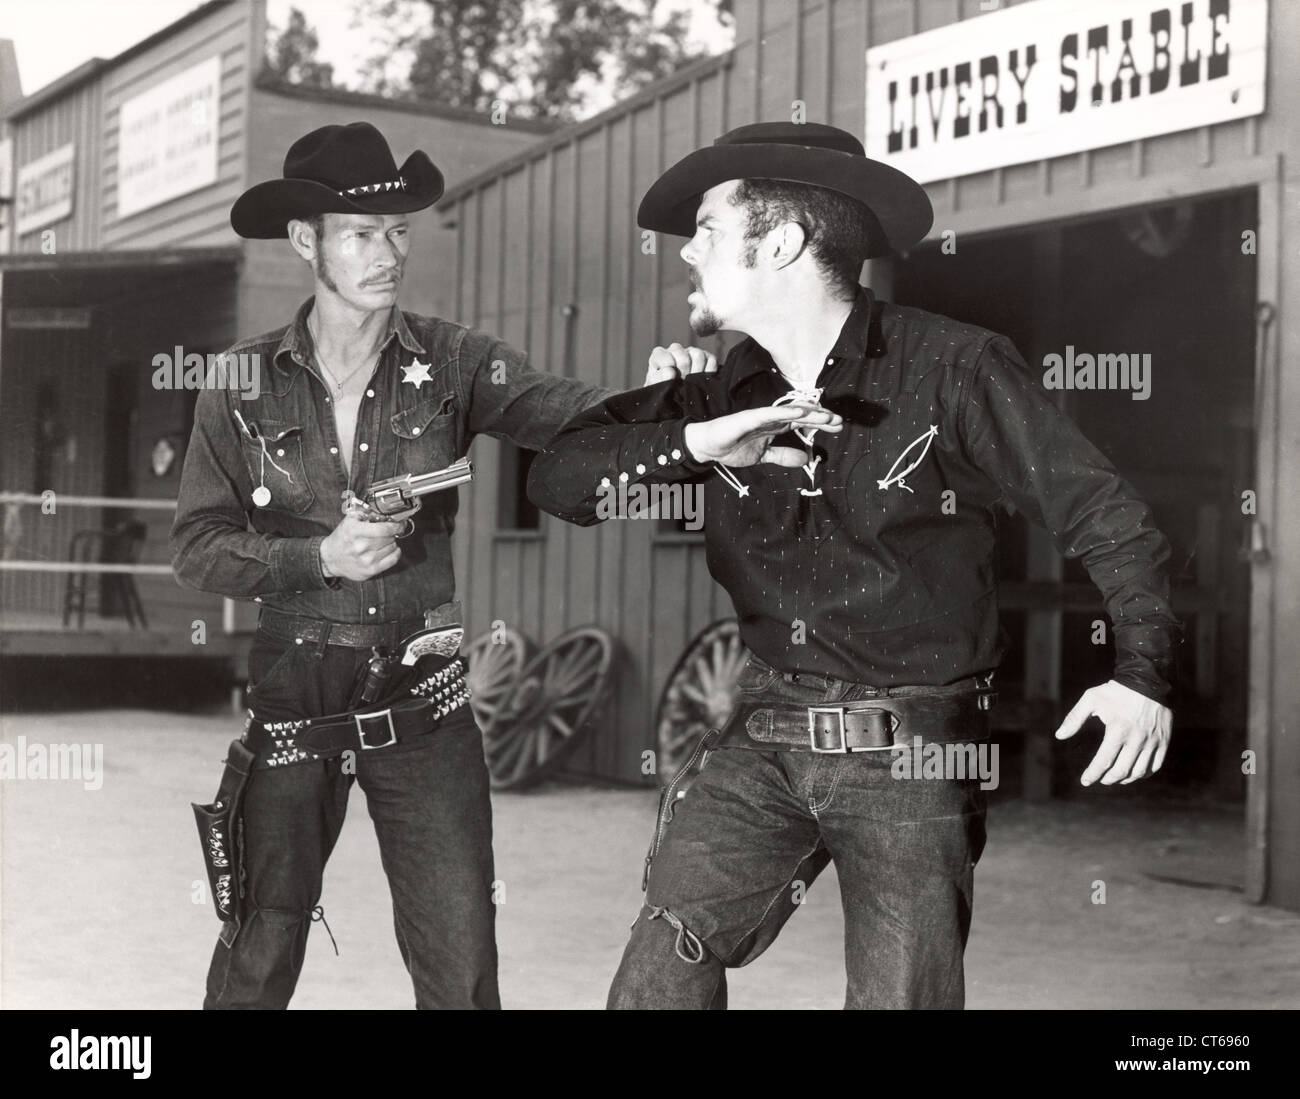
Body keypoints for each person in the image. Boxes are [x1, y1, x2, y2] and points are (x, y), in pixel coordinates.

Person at [526, 121, 1181, 1009]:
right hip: (761, 728)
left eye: (710, 230)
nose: (686, 252)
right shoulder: (722, 389)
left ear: (784, 243)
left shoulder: (954, 368)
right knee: (663, 959)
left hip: (909, 748)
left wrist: (1140, 671)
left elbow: (1103, 510)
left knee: (899, 998)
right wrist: (697, 439)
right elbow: (559, 476)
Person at [171, 121, 707, 1009]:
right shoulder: (237, 381)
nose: (388, 254)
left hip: (424, 703)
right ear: (306, 241)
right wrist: (321, 557)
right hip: (295, 694)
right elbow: (196, 546)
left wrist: (672, 389)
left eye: (399, 232)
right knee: (259, 951)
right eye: (361, 233)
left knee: (460, 964)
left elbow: (571, 416)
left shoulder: (456, 362)